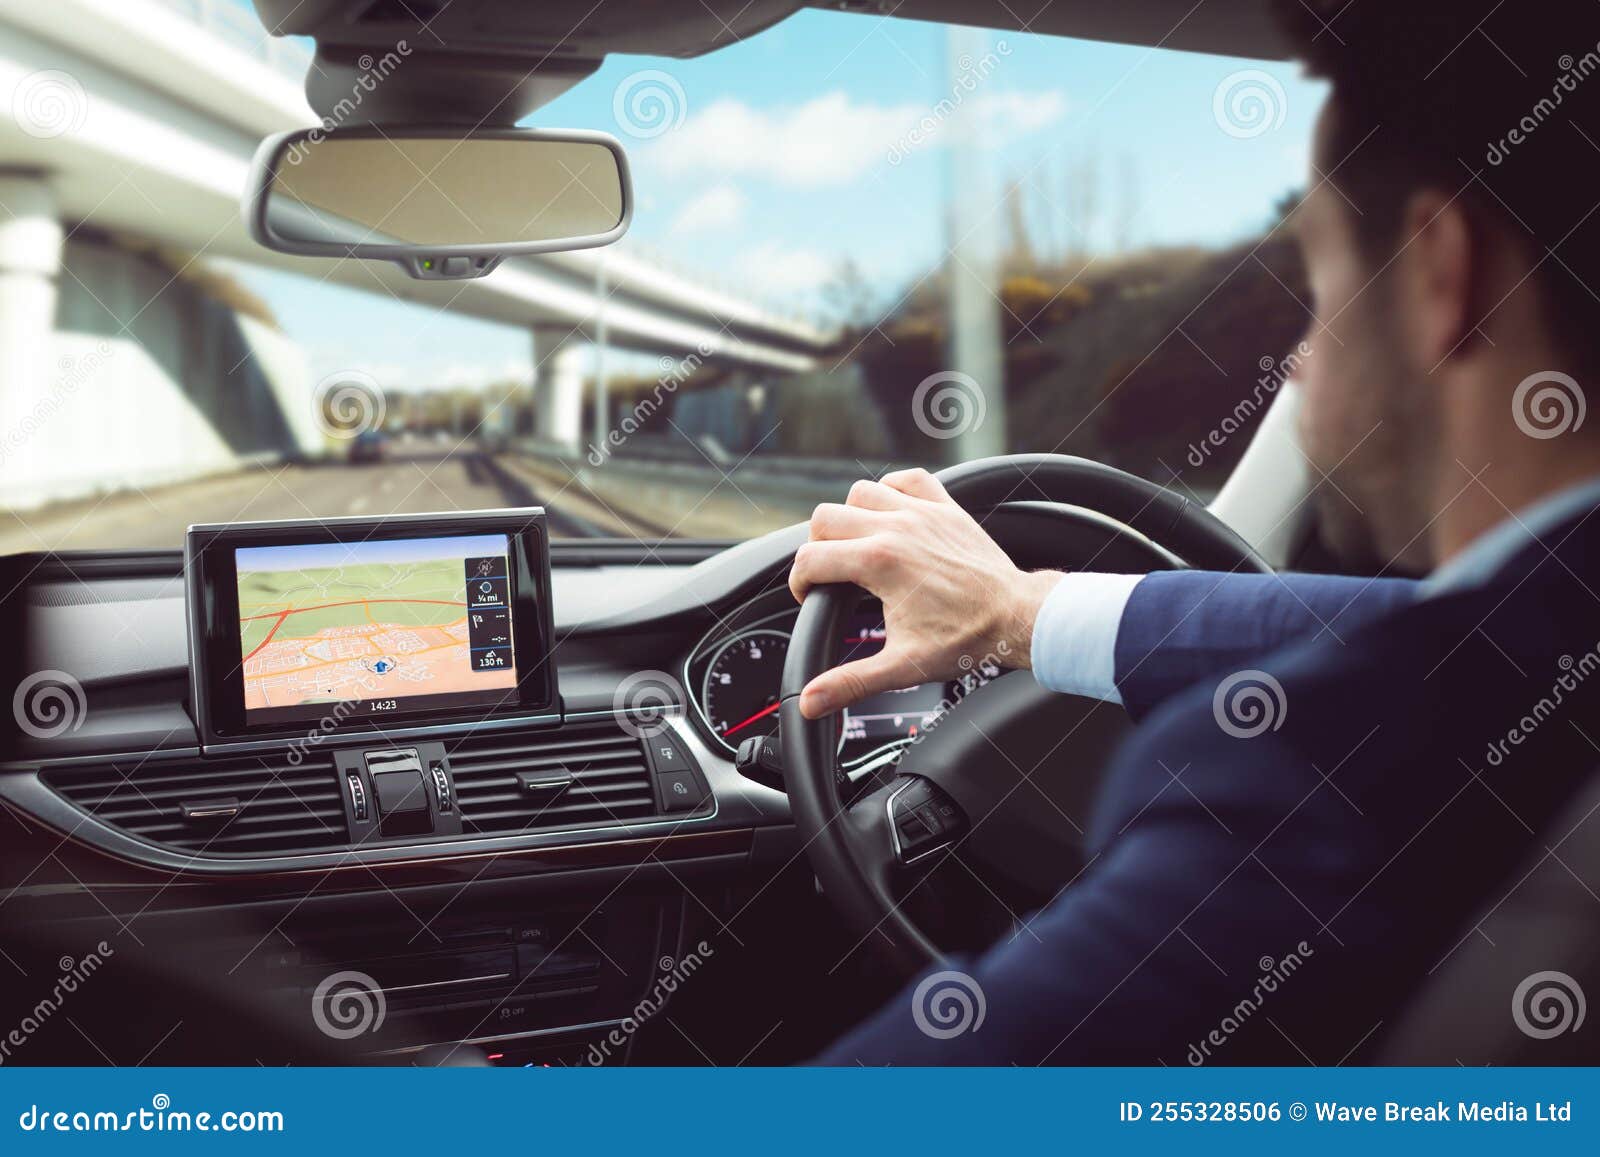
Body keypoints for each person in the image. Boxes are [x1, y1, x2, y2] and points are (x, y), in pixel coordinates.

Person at [795, 0, 1600, 1064]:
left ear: (1434, 273)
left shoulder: (1316, 777)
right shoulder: (1541, 653)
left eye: (1316, 292)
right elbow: (1407, 624)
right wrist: (1016, 610)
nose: (1302, 363)